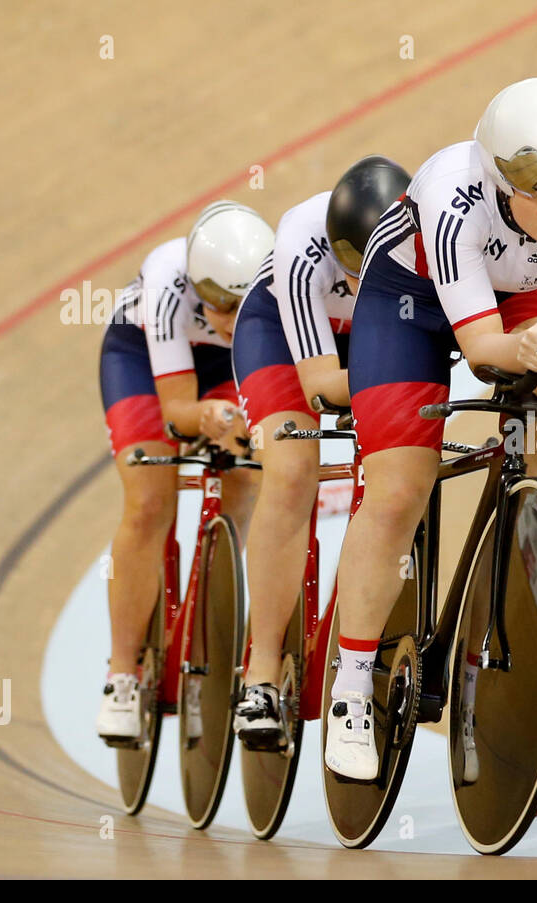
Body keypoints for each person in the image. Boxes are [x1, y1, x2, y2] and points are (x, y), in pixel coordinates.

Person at [322, 77, 537, 780]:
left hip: (515, 296)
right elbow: (487, 348)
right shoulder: (450, 193)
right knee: (400, 488)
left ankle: (510, 512)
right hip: (409, 301)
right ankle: (350, 690)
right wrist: (530, 350)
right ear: (497, 177)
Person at [229, 156, 411, 749]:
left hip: (377, 330)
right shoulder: (301, 243)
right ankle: (259, 674)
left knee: (402, 466)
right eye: (357, 269)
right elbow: (322, 386)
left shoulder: (425, 225)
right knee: (291, 469)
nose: (366, 279)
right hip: (282, 338)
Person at [95, 201, 272, 742]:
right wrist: (211, 417)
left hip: (225, 366)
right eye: (218, 302)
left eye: (242, 304)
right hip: (142, 361)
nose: (228, 315)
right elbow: (177, 414)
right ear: (196, 283)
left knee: (249, 471)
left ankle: (220, 578)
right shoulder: (169, 278)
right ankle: (122, 676)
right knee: (150, 501)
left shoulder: (275, 279)